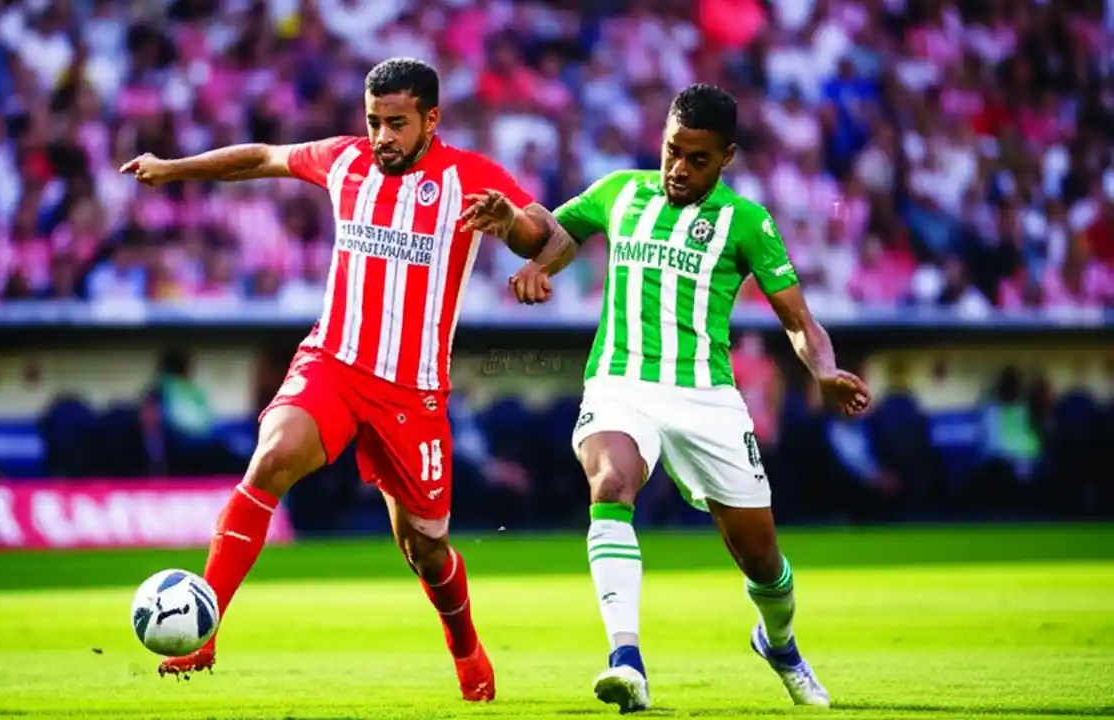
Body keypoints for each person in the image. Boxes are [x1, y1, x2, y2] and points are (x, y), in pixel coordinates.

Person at [120, 57, 557, 701]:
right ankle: (205, 629)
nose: (383, 136)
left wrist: (515, 230)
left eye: (398, 123)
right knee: (272, 457)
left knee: (426, 549)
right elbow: (262, 157)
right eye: (375, 121)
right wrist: (175, 168)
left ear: (431, 120)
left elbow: (543, 230)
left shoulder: (471, 178)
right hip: (334, 362)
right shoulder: (344, 160)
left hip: (413, 392)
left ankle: (466, 651)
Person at [461, 84, 872, 712]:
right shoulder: (621, 191)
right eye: (672, 150)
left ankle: (780, 643)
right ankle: (626, 660)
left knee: (761, 559)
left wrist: (823, 370)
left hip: (707, 397)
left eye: (697, 159)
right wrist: (525, 243)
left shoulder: (746, 222)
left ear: (726, 157)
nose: (679, 168)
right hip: (620, 383)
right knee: (609, 482)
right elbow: (552, 232)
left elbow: (798, 318)